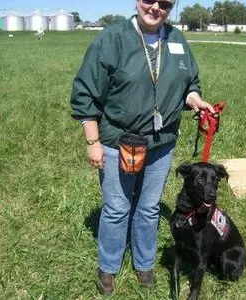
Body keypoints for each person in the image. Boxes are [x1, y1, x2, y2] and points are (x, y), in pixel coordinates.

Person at [70, 0, 215, 295]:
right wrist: (92, 141)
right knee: (116, 208)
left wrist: (194, 99)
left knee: (148, 208)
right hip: (118, 142)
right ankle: (108, 267)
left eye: (164, 3)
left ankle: (144, 263)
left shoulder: (176, 39)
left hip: (161, 143)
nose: (155, 8)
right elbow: (86, 92)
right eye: (149, 0)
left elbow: (190, 82)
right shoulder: (112, 38)